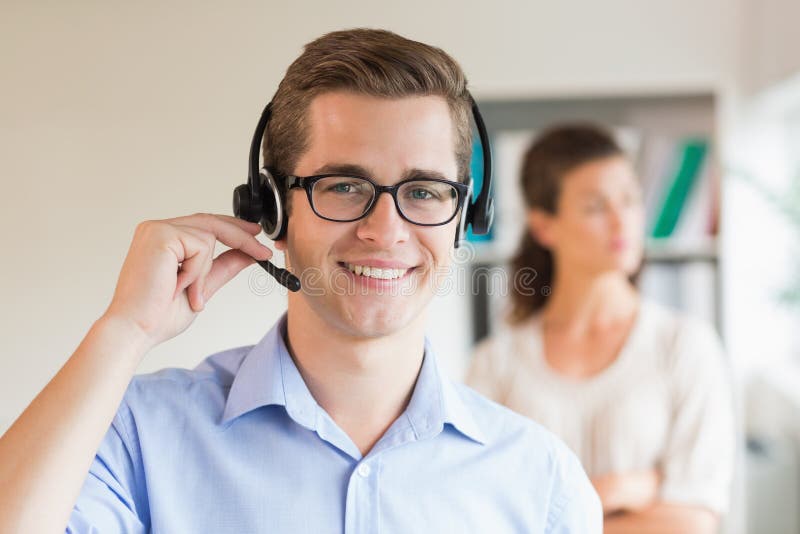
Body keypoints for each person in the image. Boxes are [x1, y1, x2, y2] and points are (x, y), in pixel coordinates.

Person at [0, 29, 601, 533]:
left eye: (423, 191)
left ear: (466, 218)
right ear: (272, 210)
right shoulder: (139, 434)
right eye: (344, 186)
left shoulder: (541, 480)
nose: (385, 231)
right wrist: (125, 330)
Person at [466, 124, 735, 533]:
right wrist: (616, 491)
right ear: (544, 226)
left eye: (629, 200)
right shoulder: (495, 364)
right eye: (595, 207)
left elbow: (693, 522)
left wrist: (554, 516)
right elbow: (479, 516)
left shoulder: (684, 346)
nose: (620, 220)